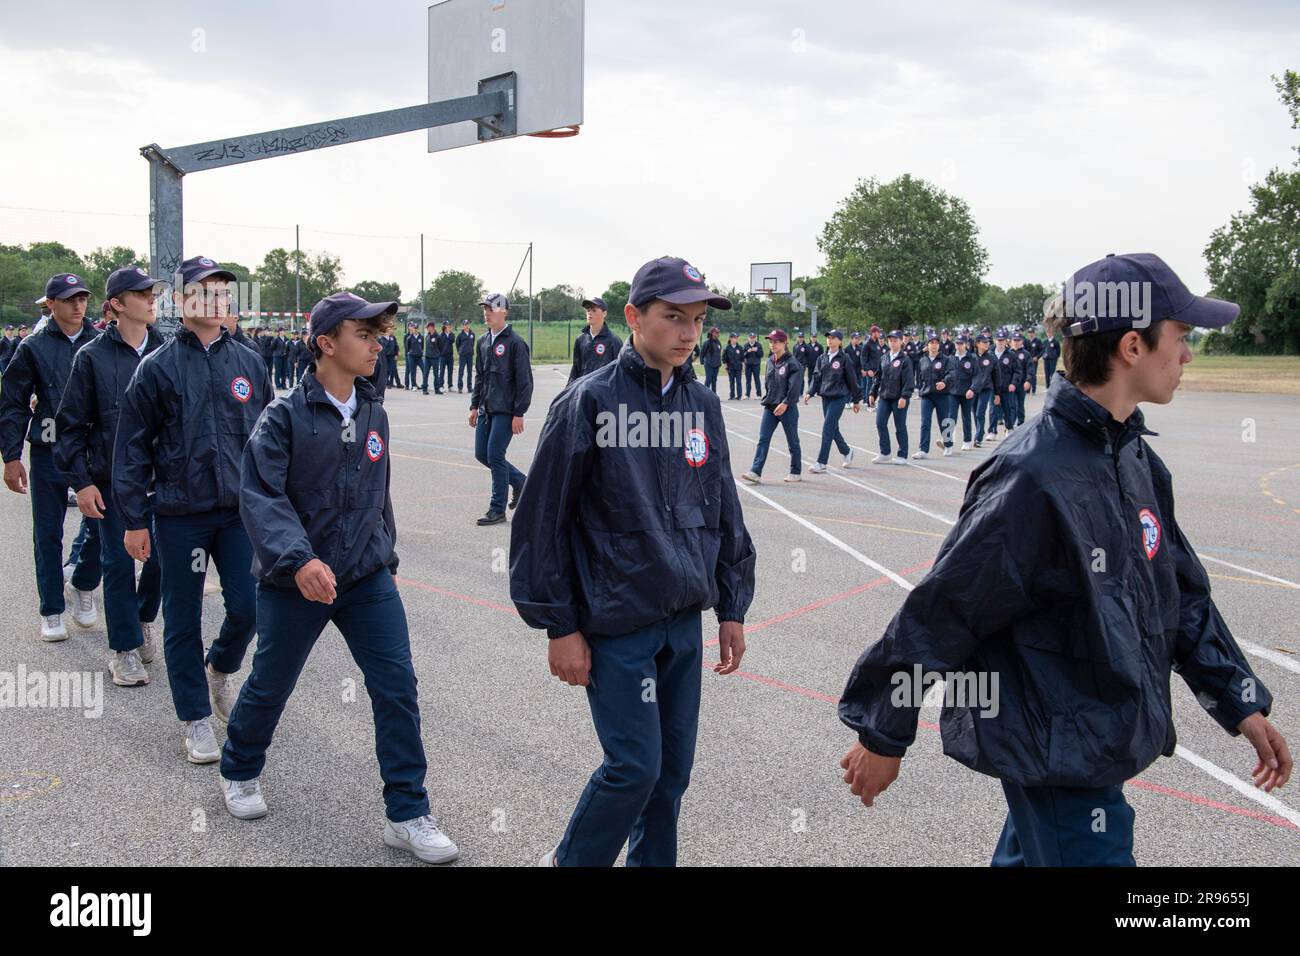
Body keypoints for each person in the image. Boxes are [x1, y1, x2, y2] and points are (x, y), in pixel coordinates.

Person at [838, 252, 1292, 866]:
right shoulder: (1034, 478)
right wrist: (884, 733)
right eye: (1182, 336)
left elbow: (1180, 593)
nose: (1188, 354)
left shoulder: (1134, 458)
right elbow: (945, 610)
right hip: (1059, 746)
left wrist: (1240, 700)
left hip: (1094, 737)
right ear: (1133, 345)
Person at [509, 255, 755, 867]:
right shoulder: (588, 402)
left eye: (697, 319)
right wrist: (560, 626)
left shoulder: (702, 403)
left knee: (670, 777)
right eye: (673, 316)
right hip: (617, 622)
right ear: (633, 316)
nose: (688, 332)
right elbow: (543, 522)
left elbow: (722, 505)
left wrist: (732, 605)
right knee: (633, 769)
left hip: (683, 623)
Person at [218, 291, 458, 864]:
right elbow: (261, 496)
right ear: (326, 343)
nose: (377, 345)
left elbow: (380, 498)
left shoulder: (375, 411)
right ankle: (240, 770)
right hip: (294, 581)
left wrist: (385, 557)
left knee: (396, 687)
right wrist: (299, 560)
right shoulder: (283, 417)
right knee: (271, 683)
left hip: (365, 579)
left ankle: (407, 811)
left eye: (379, 335)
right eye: (364, 334)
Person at [114, 255, 271, 764]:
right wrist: (136, 519)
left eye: (225, 289)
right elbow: (132, 448)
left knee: (248, 607)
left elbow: (271, 441)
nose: (219, 298)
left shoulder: (248, 362)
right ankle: (195, 719)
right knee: (182, 617)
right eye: (205, 290)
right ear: (180, 301)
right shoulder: (156, 368)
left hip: (239, 513)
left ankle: (220, 668)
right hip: (180, 513)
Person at [54, 266, 165, 686]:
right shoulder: (93, 357)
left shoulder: (166, 350)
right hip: (111, 479)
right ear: (117, 304)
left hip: (163, 480)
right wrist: (81, 482)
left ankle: (140, 622)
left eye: (153, 292)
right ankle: (123, 648)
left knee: (158, 564)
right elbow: (70, 426)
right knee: (118, 562)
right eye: (141, 293)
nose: (151, 298)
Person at [0, 272, 103, 641]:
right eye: (69, 299)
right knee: (47, 531)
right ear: (51, 304)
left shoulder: (102, 340)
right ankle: (52, 608)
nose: (78, 305)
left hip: (94, 450)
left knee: (101, 525)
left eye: (83, 298)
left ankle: (83, 581)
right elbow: (13, 402)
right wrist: (11, 457)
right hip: (49, 450)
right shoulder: (33, 347)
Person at [469, 293, 531, 526]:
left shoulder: (515, 343)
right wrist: (474, 406)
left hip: (506, 409)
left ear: (505, 311)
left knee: (495, 454)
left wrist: (519, 412)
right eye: (485, 308)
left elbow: (524, 382)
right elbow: (480, 376)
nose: (487, 312)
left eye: (492, 308)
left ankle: (497, 509)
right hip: (486, 407)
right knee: (481, 454)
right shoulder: (483, 342)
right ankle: (520, 481)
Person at [741, 328, 802, 483]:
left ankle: (795, 471)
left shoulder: (792, 363)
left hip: (786, 408)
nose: (772, 344)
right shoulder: (769, 361)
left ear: (784, 343)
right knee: (763, 439)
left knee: (792, 440)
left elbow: (794, 388)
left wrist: (785, 403)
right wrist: (769, 398)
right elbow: (769, 384)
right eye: (771, 342)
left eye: (776, 342)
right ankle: (755, 471)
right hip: (770, 406)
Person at [803, 328, 862, 473]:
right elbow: (816, 378)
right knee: (833, 428)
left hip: (839, 397)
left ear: (840, 341)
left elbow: (852, 380)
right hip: (826, 397)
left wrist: (856, 400)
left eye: (833, 337)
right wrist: (810, 392)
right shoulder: (822, 358)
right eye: (829, 337)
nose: (830, 339)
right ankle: (847, 452)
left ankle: (821, 462)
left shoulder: (844, 359)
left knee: (827, 428)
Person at [867, 329, 912, 465]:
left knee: (900, 426)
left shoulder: (905, 359)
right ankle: (885, 452)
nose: (892, 343)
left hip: (899, 398)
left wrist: (904, 396)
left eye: (895, 340)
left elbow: (909, 381)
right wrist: (872, 393)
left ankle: (902, 454)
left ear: (900, 342)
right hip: (885, 396)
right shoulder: (884, 357)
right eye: (890, 340)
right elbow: (878, 377)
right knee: (880, 423)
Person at [913, 333, 956, 459]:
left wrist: (944, 382)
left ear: (939, 345)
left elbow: (952, 374)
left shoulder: (946, 359)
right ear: (927, 345)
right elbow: (920, 377)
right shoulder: (923, 360)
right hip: (927, 395)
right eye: (931, 343)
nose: (934, 345)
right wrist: (921, 388)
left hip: (942, 395)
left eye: (936, 343)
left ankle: (948, 445)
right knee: (925, 422)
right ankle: (923, 449)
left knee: (944, 422)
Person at [569, 297, 623, 385]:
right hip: (583, 392)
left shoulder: (613, 341)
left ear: (604, 313)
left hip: (604, 395)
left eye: (594, 310)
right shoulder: (580, 340)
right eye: (588, 310)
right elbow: (575, 369)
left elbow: (620, 373)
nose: (590, 313)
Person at [949, 335, 982, 451]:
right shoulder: (951, 358)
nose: (959, 346)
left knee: (966, 417)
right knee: (951, 417)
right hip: (953, 393)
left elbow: (977, 376)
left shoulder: (972, 358)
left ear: (966, 345)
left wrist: (972, 389)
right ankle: (948, 440)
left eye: (961, 343)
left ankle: (967, 440)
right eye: (957, 343)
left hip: (967, 393)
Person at [971, 334, 996, 448]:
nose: (987, 344)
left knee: (980, 412)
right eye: (984, 342)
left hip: (986, 389)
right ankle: (979, 431)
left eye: (988, 342)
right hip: (973, 389)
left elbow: (996, 375)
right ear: (977, 344)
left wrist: (997, 392)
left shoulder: (991, 357)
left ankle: (978, 437)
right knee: (974, 412)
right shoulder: (971, 357)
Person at [699, 326, 723, 394]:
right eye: (717, 332)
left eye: (719, 332)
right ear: (712, 333)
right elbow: (702, 352)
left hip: (716, 364)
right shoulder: (707, 342)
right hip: (709, 364)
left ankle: (713, 395)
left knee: (714, 380)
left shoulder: (718, 342)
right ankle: (705, 395)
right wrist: (702, 362)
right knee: (708, 380)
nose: (718, 334)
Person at [741, 332, 764, 399]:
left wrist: (756, 351)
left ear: (755, 338)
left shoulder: (758, 345)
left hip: (756, 365)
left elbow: (761, 355)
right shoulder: (745, 345)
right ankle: (747, 394)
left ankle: (759, 394)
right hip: (748, 365)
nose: (752, 339)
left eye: (753, 338)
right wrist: (748, 351)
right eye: (751, 338)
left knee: (757, 379)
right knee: (748, 380)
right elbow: (742, 355)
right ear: (748, 338)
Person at [455, 318, 475, 393]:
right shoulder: (460, 335)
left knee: (469, 372)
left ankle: (469, 388)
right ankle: (460, 388)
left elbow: (472, 343)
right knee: (461, 371)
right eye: (465, 325)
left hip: (470, 355)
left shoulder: (472, 334)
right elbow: (457, 344)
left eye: (467, 324)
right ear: (463, 326)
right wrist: (460, 351)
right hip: (462, 356)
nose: (466, 326)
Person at [723, 332, 743, 400]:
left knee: (738, 382)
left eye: (737, 338)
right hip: (730, 368)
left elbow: (742, 358)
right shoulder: (727, 348)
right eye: (735, 337)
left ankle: (739, 396)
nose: (736, 339)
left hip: (738, 367)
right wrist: (726, 367)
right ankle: (732, 395)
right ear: (731, 338)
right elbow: (724, 358)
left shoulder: (740, 347)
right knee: (731, 382)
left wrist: (743, 367)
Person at [404, 322, 423, 391]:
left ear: (418, 329)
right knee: (412, 371)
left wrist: (420, 352)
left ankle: (424, 384)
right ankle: (413, 385)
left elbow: (422, 346)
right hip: (411, 356)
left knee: (424, 369)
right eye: (414, 328)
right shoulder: (409, 338)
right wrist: (410, 353)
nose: (415, 330)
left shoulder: (421, 337)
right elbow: (407, 348)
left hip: (419, 357)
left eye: (416, 328)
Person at [1025, 327, 1044, 394]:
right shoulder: (1026, 341)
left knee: (1033, 375)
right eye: (1029, 333)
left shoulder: (1038, 341)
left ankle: (1033, 389)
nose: (1030, 334)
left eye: (1031, 333)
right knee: (1027, 374)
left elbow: (1042, 350)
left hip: (1034, 361)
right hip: (1027, 361)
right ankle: (1027, 390)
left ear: (1034, 333)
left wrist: (1037, 357)